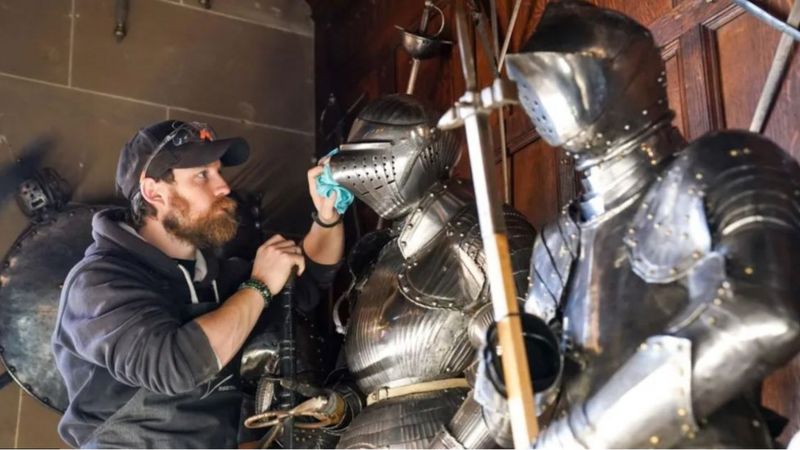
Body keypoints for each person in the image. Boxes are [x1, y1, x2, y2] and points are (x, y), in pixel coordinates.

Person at [473, 1, 800, 447]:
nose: (538, 96)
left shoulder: (716, 165)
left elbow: (763, 314)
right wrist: (508, 374)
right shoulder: (557, 245)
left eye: (556, 74)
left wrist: (579, 436)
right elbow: (513, 425)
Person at [52, 120, 344, 448]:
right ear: (153, 192)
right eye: (202, 175)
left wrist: (326, 215)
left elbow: (305, 283)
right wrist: (259, 286)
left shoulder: (215, 277)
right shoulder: (99, 284)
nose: (223, 187)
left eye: (218, 172)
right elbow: (174, 366)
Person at [319, 94, 538, 448]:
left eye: (370, 153)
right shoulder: (381, 255)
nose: (353, 172)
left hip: (445, 432)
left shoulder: (482, 230)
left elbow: (521, 358)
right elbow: (375, 378)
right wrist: (335, 406)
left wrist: (455, 444)